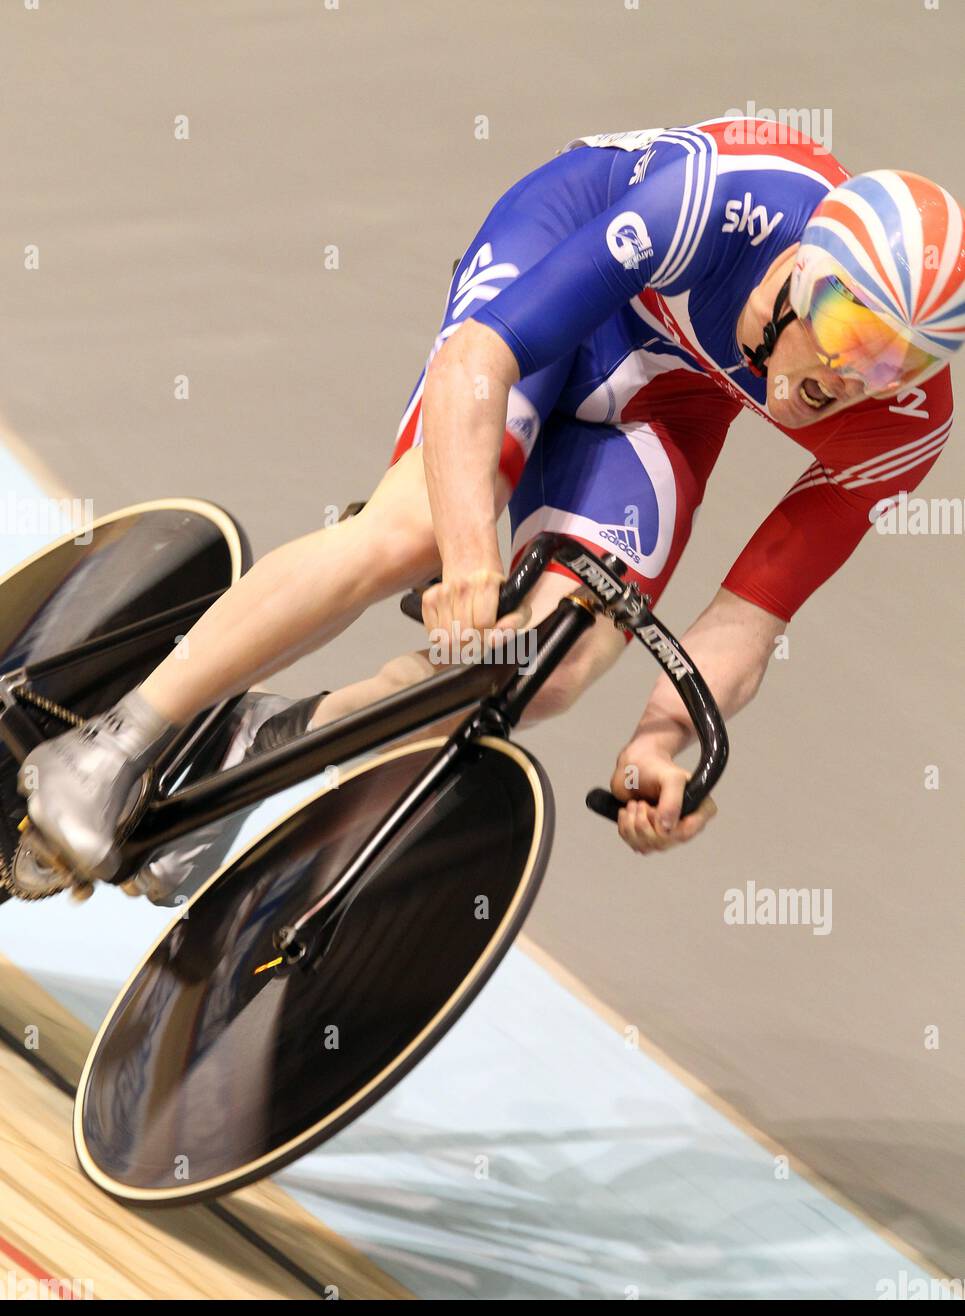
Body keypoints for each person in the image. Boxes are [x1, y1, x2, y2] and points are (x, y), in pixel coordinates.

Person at [18, 116, 965, 895]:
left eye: (897, 361)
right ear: (804, 268)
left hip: (666, 395)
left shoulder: (900, 423)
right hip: (557, 262)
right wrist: (471, 556)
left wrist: (659, 741)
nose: (852, 375)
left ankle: (257, 744)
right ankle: (112, 743)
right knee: (415, 529)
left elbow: (747, 620)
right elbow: (483, 356)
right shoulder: (721, 203)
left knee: (536, 667)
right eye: (848, 327)